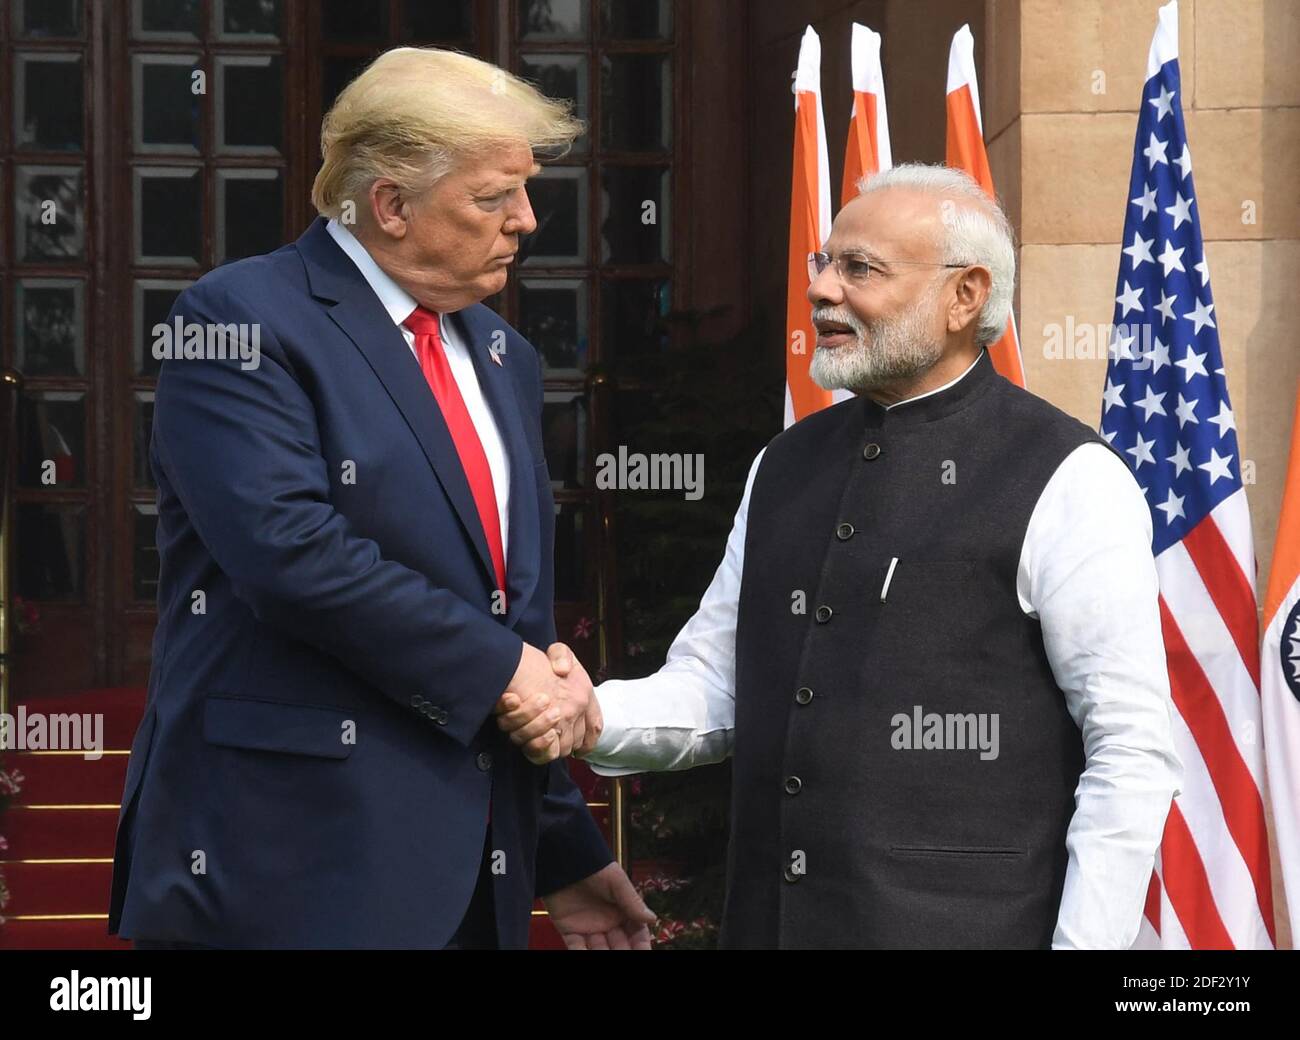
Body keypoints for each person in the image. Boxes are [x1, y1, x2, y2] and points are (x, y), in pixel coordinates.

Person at [517, 163, 1182, 949]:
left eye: (858, 268)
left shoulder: (1070, 475)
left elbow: (1128, 750)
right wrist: (591, 711)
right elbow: (716, 684)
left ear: (964, 296)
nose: (823, 289)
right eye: (822, 264)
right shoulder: (785, 464)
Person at [109, 47, 650, 950]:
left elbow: (510, 622)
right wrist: (504, 670)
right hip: (287, 871)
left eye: (524, 190)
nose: (526, 219)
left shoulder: (505, 358)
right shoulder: (236, 318)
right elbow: (290, 553)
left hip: (474, 881)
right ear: (391, 204)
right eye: (494, 196)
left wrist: (562, 848)